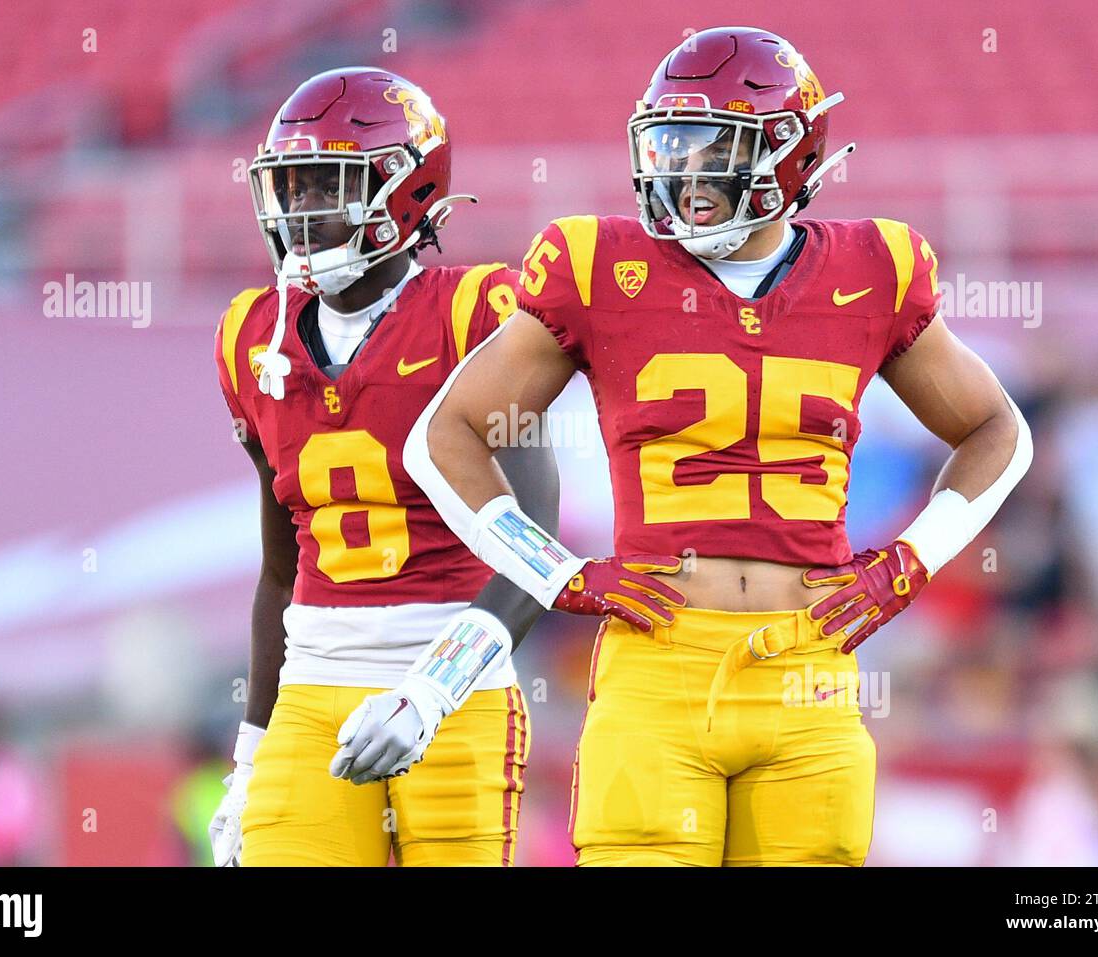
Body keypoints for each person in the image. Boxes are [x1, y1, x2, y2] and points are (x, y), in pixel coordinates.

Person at [389, 27, 1032, 865]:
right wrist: (557, 572)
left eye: (708, 148)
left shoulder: (876, 267)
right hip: (659, 666)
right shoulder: (597, 264)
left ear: (787, 151)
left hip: (809, 663)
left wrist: (906, 564)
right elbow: (445, 434)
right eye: (669, 145)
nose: (682, 173)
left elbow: (998, 431)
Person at [208, 67, 557, 866]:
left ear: (405, 190)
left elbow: (535, 540)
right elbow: (279, 569)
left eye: (325, 186)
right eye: (289, 188)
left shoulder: (477, 314)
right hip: (311, 685)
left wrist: (433, 689)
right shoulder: (249, 336)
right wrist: (250, 753)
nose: (300, 212)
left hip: (454, 682)